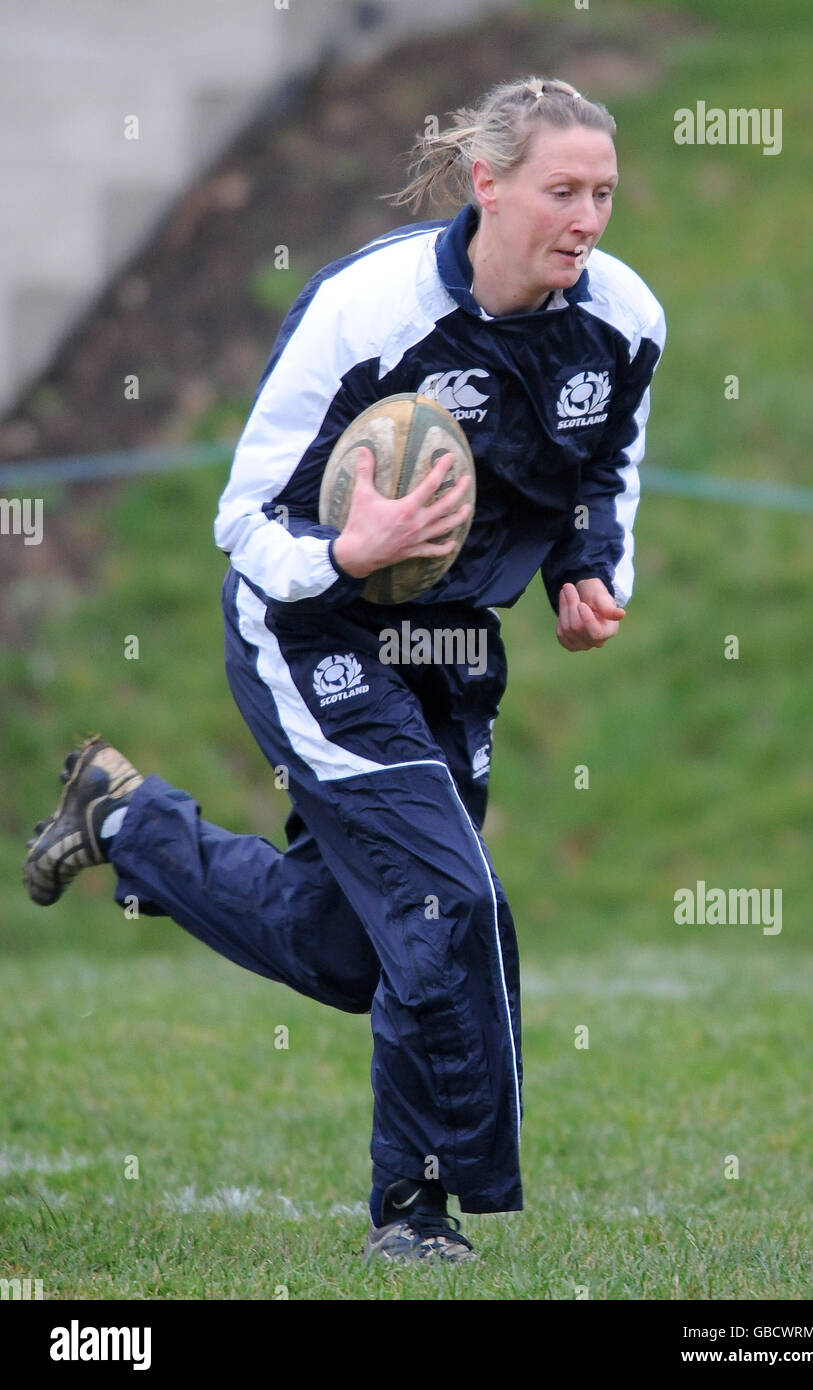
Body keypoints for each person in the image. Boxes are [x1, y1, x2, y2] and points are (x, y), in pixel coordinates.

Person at [23, 75, 665, 1264]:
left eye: (604, 194)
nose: (586, 217)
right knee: (446, 898)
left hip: (453, 647)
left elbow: (604, 472)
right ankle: (415, 1212)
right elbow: (241, 519)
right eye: (562, 191)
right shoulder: (366, 311)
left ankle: (131, 822)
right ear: (488, 186)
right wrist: (347, 550)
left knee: (350, 944)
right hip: (306, 630)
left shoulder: (622, 320)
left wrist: (586, 569)